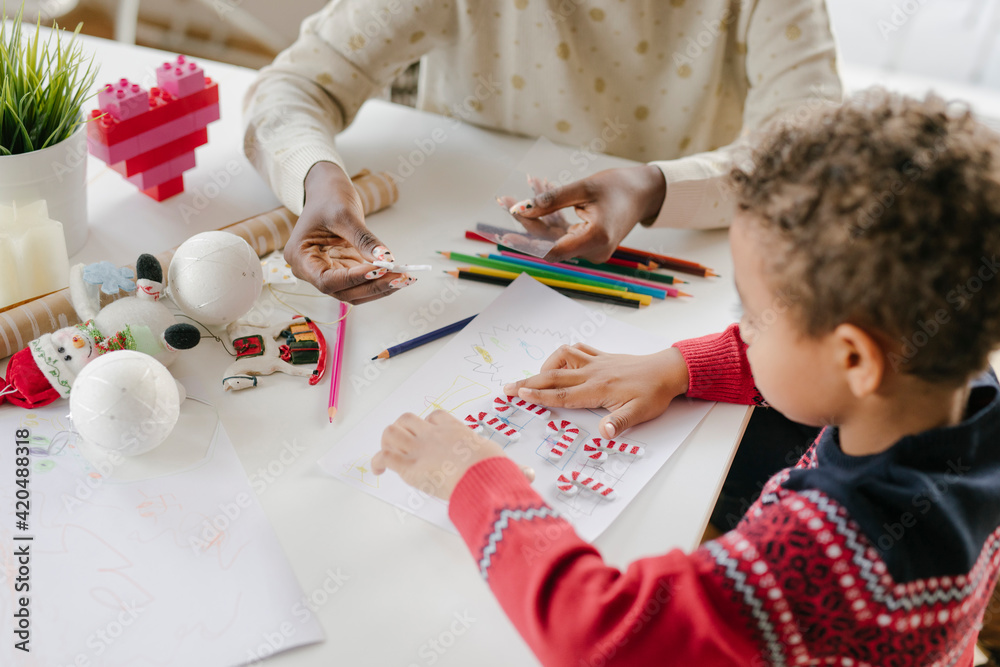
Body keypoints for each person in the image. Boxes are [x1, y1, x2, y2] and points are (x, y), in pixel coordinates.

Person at [371, 91, 1000, 665]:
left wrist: (474, 478)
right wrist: (680, 366)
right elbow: (825, 363)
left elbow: (600, 636)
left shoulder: (824, 558)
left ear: (854, 359)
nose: (742, 329)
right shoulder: (960, 381)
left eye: (753, 315)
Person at [243, 0, 841, 304]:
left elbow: (814, 151)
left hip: (690, 275)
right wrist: (317, 178)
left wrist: (658, 186)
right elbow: (293, 86)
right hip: (460, 272)